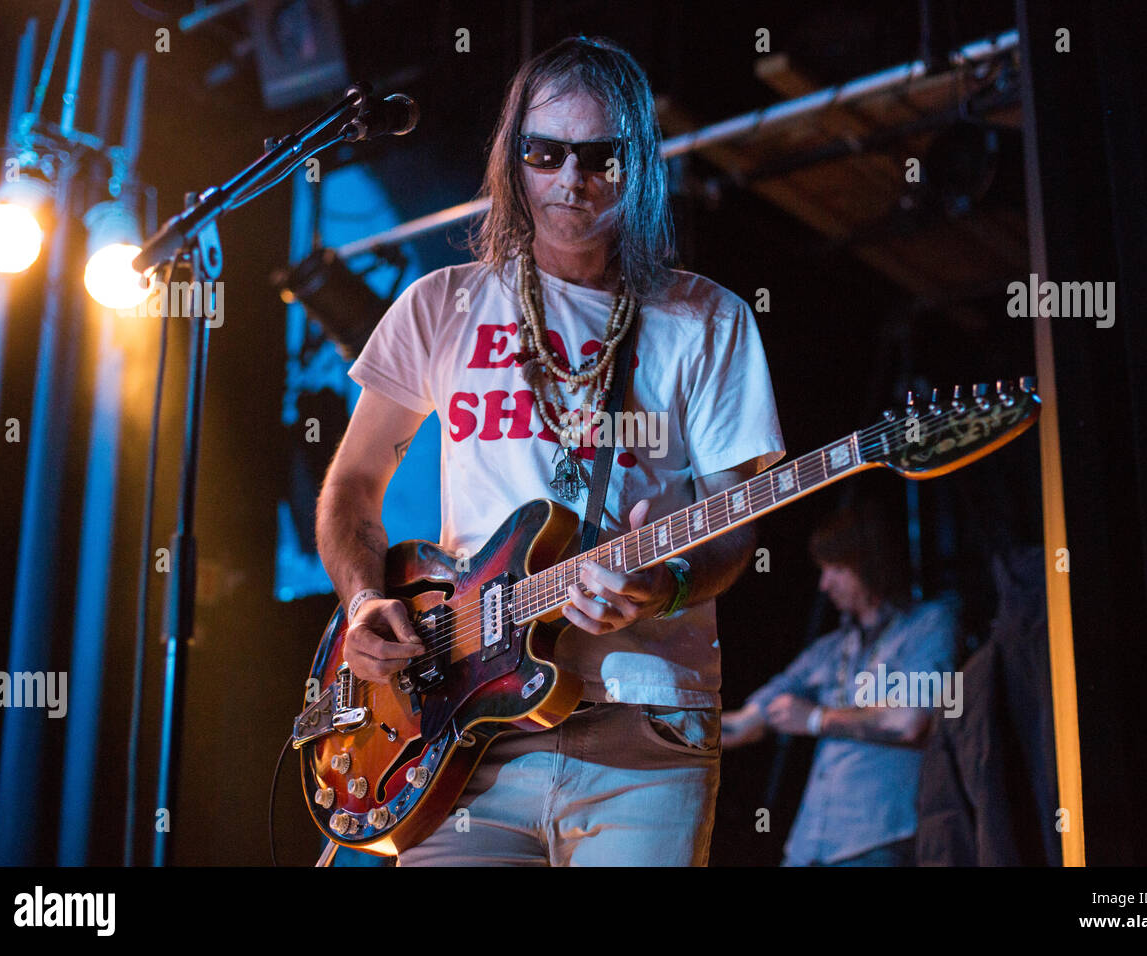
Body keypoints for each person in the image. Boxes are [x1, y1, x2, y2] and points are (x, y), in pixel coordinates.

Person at [315, 35, 784, 866]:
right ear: (513, 160)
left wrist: (664, 582)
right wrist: (360, 602)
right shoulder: (440, 305)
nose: (571, 178)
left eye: (599, 156)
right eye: (545, 152)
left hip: (647, 730)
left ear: (636, 162)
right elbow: (352, 485)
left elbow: (736, 529)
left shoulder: (708, 319)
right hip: (463, 735)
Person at [722, 501, 958, 866]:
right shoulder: (830, 649)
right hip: (810, 843)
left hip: (879, 838)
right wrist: (670, 726)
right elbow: (744, 723)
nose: (824, 583)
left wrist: (817, 718)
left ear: (869, 563)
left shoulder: (929, 625)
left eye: (836, 568)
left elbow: (911, 720)